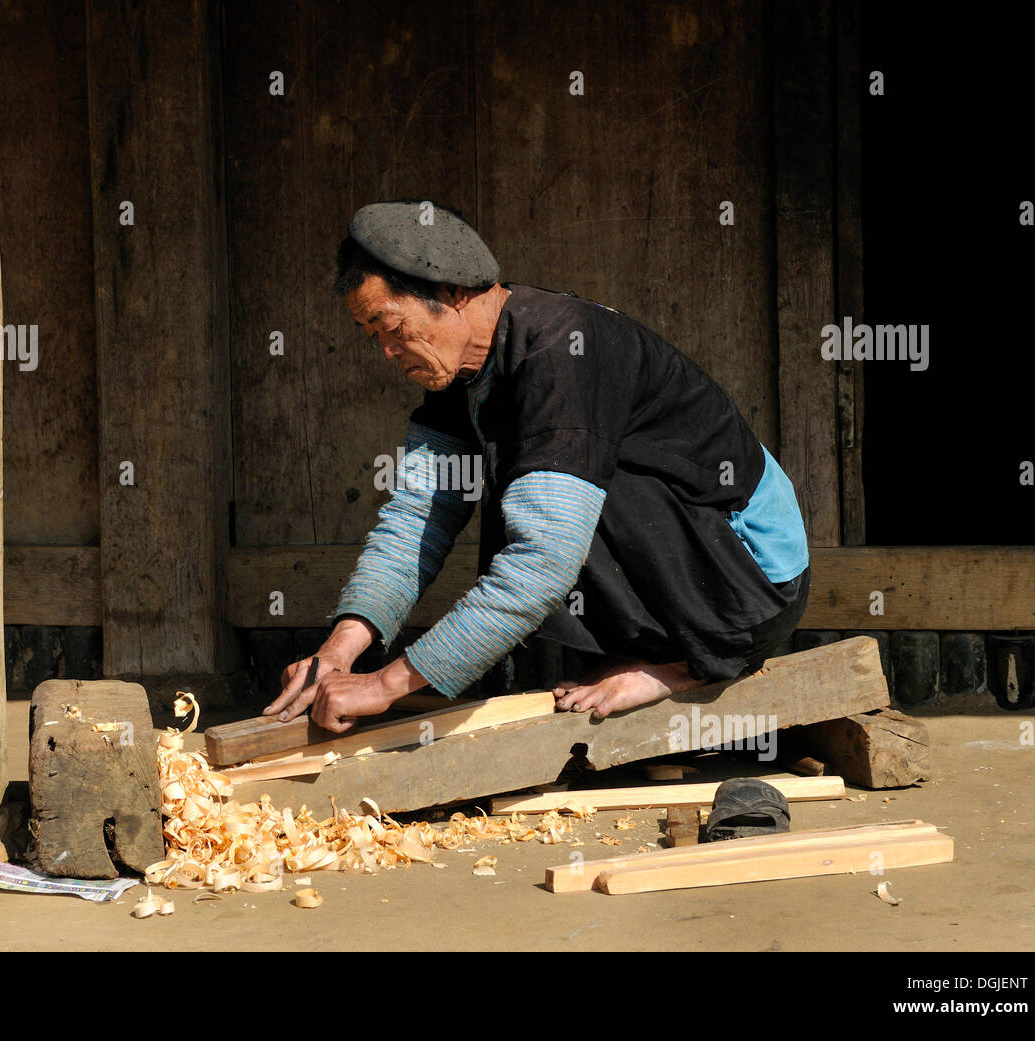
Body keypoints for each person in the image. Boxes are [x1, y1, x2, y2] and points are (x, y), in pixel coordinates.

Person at [264, 201, 810, 733]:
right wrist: (337, 653)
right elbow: (414, 522)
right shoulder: (458, 376)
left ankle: (690, 661)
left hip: (750, 584)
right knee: (541, 487)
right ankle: (658, 648)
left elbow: (543, 561)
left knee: (557, 497)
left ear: (451, 293)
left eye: (390, 325)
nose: (386, 350)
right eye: (372, 336)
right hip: (701, 580)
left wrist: (385, 685)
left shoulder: (563, 350)